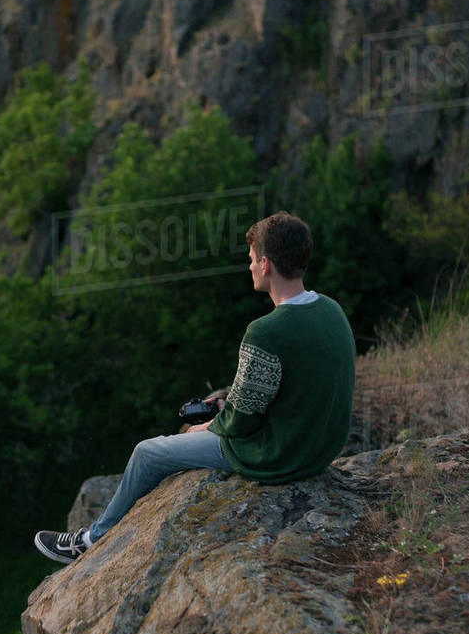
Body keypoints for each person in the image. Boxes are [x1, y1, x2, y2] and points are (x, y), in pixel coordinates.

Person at [33, 212, 356, 563]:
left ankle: (89, 541)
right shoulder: (331, 310)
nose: (249, 266)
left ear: (265, 265)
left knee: (147, 453)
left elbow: (242, 421)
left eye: (251, 259)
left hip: (280, 457)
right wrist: (228, 405)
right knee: (213, 413)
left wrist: (213, 425)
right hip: (320, 451)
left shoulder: (266, 332)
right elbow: (300, 386)